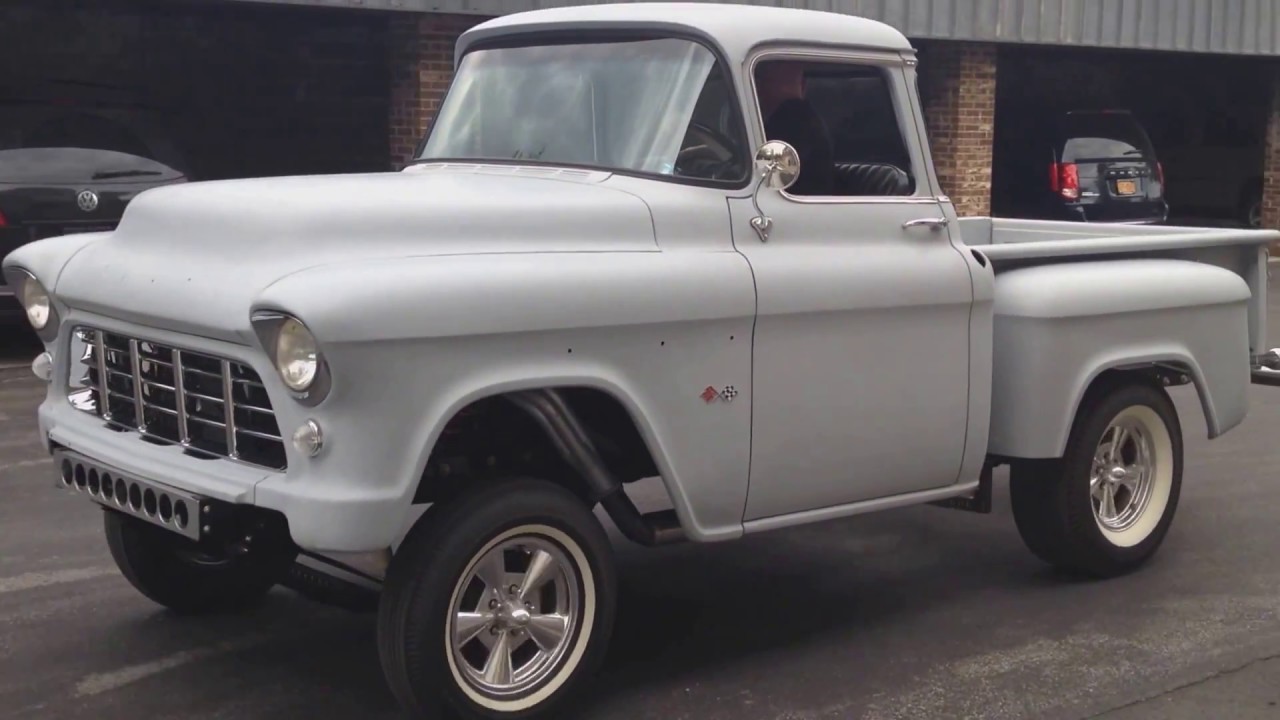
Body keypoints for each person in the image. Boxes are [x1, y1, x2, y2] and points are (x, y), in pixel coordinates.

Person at [755, 61, 834, 195]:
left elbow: (771, 173)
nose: (758, 90)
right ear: (803, 86)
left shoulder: (791, 122)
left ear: (765, 86)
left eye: (762, 82)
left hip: (799, 201)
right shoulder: (805, 119)